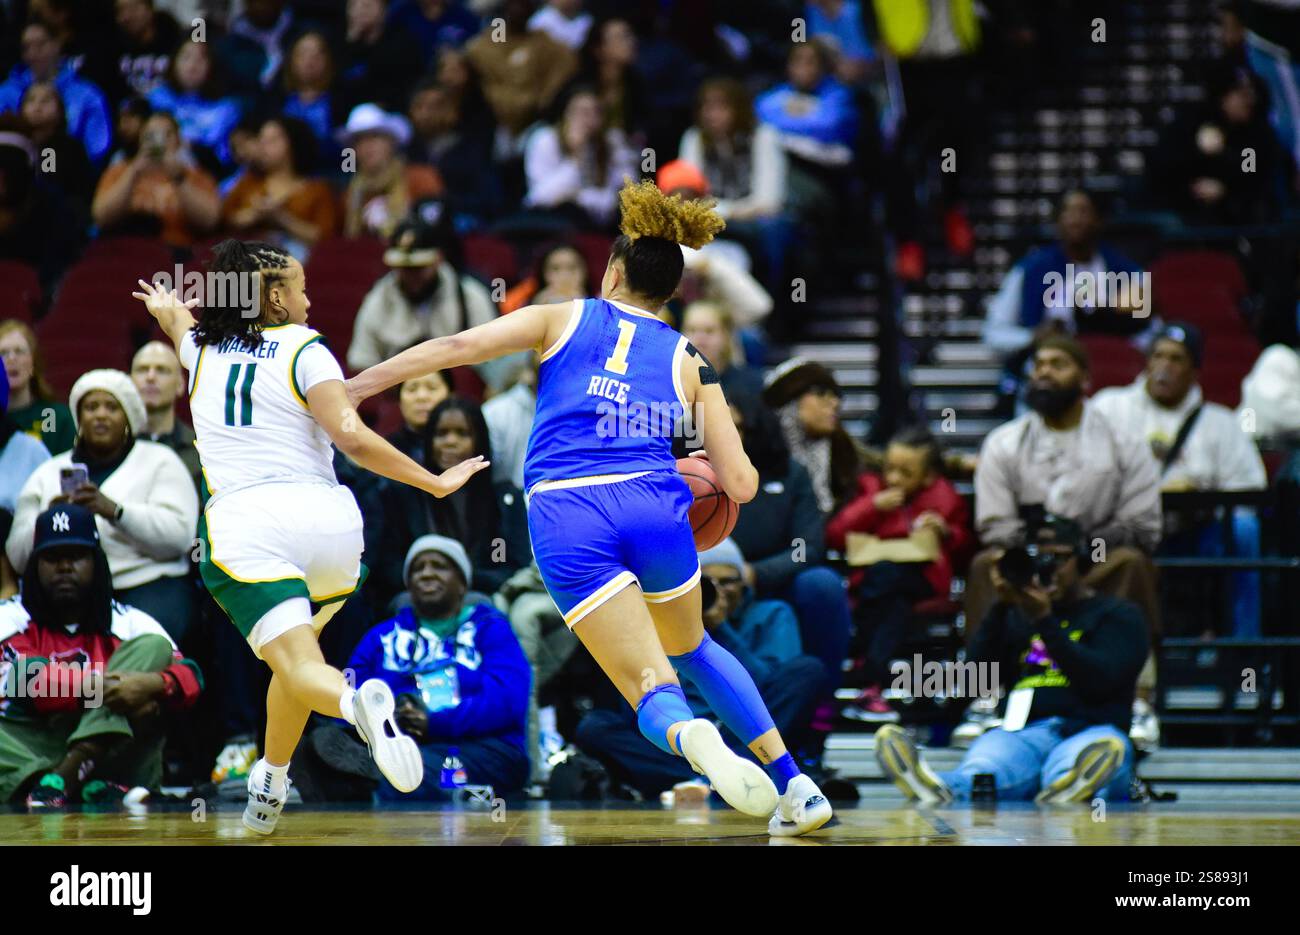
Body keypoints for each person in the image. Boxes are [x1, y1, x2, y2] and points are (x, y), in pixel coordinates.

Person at [347, 180, 833, 836]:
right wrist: (700, 483)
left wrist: (356, 386)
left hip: (568, 510)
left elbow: (456, 349)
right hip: (656, 505)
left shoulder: (564, 315)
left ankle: (695, 741)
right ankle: (797, 785)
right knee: (694, 646)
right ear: (672, 292)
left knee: (649, 687)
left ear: (611, 271)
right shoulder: (690, 358)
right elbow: (741, 484)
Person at [130, 238, 490, 834]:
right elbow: (349, 437)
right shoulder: (306, 349)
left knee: (299, 666)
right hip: (330, 528)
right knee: (297, 663)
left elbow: (178, 321)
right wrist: (430, 480)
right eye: (298, 286)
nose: (309, 296)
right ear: (273, 297)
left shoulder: (200, 349)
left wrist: (168, 306)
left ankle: (356, 705)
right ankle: (271, 779)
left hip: (250, 526)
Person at [966, 335, 1163, 750]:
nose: (1044, 372)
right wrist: (1040, 543)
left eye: (1058, 364)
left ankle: (1140, 697)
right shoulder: (1004, 441)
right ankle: (985, 697)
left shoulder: (1123, 439)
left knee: (1132, 560)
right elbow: (994, 522)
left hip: (1095, 557)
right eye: (1039, 364)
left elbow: (1143, 522)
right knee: (988, 563)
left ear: (1085, 378)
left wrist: (1080, 545)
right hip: (1030, 558)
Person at [875, 516, 1147, 806]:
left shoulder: (1118, 615)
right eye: (1039, 558)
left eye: (1058, 558)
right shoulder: (1017, 616)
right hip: (1022, 731)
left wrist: (1045, 621)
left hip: (1093, 727)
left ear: (1081, 559)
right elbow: (974, 680)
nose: (1048, 568)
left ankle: (1072, 785)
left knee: (1094, 756)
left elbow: (1099, 681)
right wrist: (1002, 604)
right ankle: (939, 787)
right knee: (983, 768)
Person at [576, 538, 825, 799]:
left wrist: (718, 631)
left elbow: (770, 686)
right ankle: (710, 782)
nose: (720, 591)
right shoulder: (658, 621)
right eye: (705, 584)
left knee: (807, 670)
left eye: (728, 581)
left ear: (744, 582)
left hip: (746, 736)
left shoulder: (772, 613)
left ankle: (703, 784)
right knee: (596, 726)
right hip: (680, 740)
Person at [0, 503, 202, 807]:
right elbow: (25, 682)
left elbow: (192, 676)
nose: (65, 567)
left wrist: (155, 685)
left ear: (97, 563)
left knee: (154, 648)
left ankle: (68, 775)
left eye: (77, 556)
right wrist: (110, 689)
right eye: (52, 558)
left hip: (115, 756)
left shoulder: (130, 622)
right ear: (33, 566)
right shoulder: (10, 616)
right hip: (31, 749)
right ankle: (74, 786)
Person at [1092, 322, 1267, 638]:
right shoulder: (1109, 407)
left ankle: (1243, 655)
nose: (1164, 367)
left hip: (1193, 536)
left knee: (1244, 531)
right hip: (1124, 532)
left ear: (1194, 370)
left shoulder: (1221, 423)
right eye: (1157, 356)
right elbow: (1083, 472)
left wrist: (1202, 499)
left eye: (1176, 359)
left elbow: (1249, 492)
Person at [7, 369, 199, 641]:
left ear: (129, 418)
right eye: (91, 407)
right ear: (79, 418)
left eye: (112, 407)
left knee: (152, 646)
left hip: (147, 584)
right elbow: (17, 556)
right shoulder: (49, 472)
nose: (100, 414)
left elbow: (179, 537)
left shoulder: (161, 461)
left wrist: (115, 512)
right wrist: (49, 522)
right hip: (65, 596)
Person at [346, 535, 532, 800]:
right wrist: (392, 716)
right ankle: (361, 769)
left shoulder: (491, 629)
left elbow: (507, 702)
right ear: (408, 586)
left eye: (439, 566)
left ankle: (367, 777)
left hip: (486, 748)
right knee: (340, 756)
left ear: (462, 583)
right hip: (394, 742)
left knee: (412, 773)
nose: (427, 574)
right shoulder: (382, 636)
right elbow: (350, 689)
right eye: (417, 569)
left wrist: (435, 722)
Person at [827, 426, 973, 721]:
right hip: (883, 588)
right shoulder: (871, 490)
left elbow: (965, 550)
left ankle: (862, 661)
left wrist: (945, 531)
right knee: (894, 604)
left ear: (928, 475)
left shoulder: (944, 497)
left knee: (887, 577)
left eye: (906, 473)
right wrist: (871, 507)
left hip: (924, 578)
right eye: (889, 469)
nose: (894, 478)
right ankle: (874, 683)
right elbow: (835, 535)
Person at [374, 396, 530, 605]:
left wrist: (458, 579)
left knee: (482, 605)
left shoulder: (503, 500)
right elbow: (389, 564)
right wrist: (430, 579)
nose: (450, 441)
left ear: (480, 440)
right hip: (416, 595)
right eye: (441, 434)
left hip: (480, 594)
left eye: (462, 434)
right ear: (428, 441)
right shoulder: (403, 493)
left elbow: (508, 565)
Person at [347, 216, 524, 393]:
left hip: (458, 397)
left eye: (419, 268)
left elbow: (494, 361)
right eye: (404, 268)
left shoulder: (469, 296)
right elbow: (362, 362)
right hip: (396, 397)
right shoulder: (377, 300)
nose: (412, 277)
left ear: (438, 258)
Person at [983, 190, 1151, 362]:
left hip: (1111, 367)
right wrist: (1033, 336)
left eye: (1083, 211)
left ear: (1099, 220)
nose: (1076, 220)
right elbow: (994, 334)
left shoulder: (1128, 272)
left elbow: (1150, 333)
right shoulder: (1029, 270)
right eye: (1068, 212)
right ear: (1057, 221)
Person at [91, 110, 221, 248]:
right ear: (140, 139)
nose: (159, 142)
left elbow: (210, 222)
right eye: (150, 136)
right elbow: (102, 218)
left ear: (178, 140)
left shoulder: (197, 176)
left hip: (178, 253)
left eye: (167, 135)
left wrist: (179, 179)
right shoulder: (119, 172)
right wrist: (133, 173)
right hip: (128, 250)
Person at [221, 115, 340, 259]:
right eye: (261, 140)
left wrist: (281, 218)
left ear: (292, 143)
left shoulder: (317, 190)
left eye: (272, 141)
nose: (263, 147)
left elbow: (325, 237)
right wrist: (254, 215)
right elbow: (226, 219)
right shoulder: (248, 182)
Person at [522, 84, 637, 228]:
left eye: (595, 111)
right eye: (581, 112)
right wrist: (576, 158)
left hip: (601, 224)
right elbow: (538, 198)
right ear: (565, 114)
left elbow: (626, 193)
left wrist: (577, 197)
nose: (588, 119)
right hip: (555, 223)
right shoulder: (545, 139)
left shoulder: (612, 141)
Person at [464, 0, 577, 145]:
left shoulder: (542, 42)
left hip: (535, 120)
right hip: (492, 122)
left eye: (524, 4)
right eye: (513, 4)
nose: (518, 9)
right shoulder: (494, 39)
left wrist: (544, 98)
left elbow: (568, 62)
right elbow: (477, 53)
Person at [0, 19, 112, 163]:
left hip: (71, 168)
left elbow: (97, 147)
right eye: (26, 48)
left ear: (56, 44)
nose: (32, 54)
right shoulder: (5, 93)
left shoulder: (87, 94)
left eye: (40, 45)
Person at [761, 357, 862, 515]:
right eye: (821, 393)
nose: (835, 403)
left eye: (835, 394)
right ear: (789, 399)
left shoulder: (845, 455)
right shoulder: (756, 458)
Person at [339, 103, 442, 239]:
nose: (367, 146)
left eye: (375, 137)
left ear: (391, 142)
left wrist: (398, 221)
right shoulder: (351, 194)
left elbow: (437, 226)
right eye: (360, 140)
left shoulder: (422, 178)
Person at [147, 38, 243, 171]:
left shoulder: (226, 109)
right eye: (186, 57)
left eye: (200, 60)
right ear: (174, 61)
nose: (192, 66)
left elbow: (224, 157)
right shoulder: (156, 98)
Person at [129, 341, 202, 492]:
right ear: (129, 382)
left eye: (162, 370)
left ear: (181, 385)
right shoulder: (112, 447)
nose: (150, 377)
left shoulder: (201, 449)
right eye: (142, 370)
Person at [0, 321, 75, 455]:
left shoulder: (56, 416)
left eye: (19, 351)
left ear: (33, 363)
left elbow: (70, 470)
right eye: (3, 353)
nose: (11, 359)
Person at [386, 371, 453, 463]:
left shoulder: (469, 447)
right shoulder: (384, 450)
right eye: (412, 389)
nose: (421, 396)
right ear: (399, 401)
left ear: (450, 395)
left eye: (432, 388)